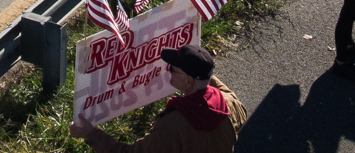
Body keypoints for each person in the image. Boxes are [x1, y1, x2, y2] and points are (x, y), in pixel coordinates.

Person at [69, 44, 245, 153]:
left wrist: (91, 134)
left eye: (172, 69)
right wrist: (201, 69)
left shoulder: (172, 126)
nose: (168, 70)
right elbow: (239, 109)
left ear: (188, 80)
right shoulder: (228, 104)